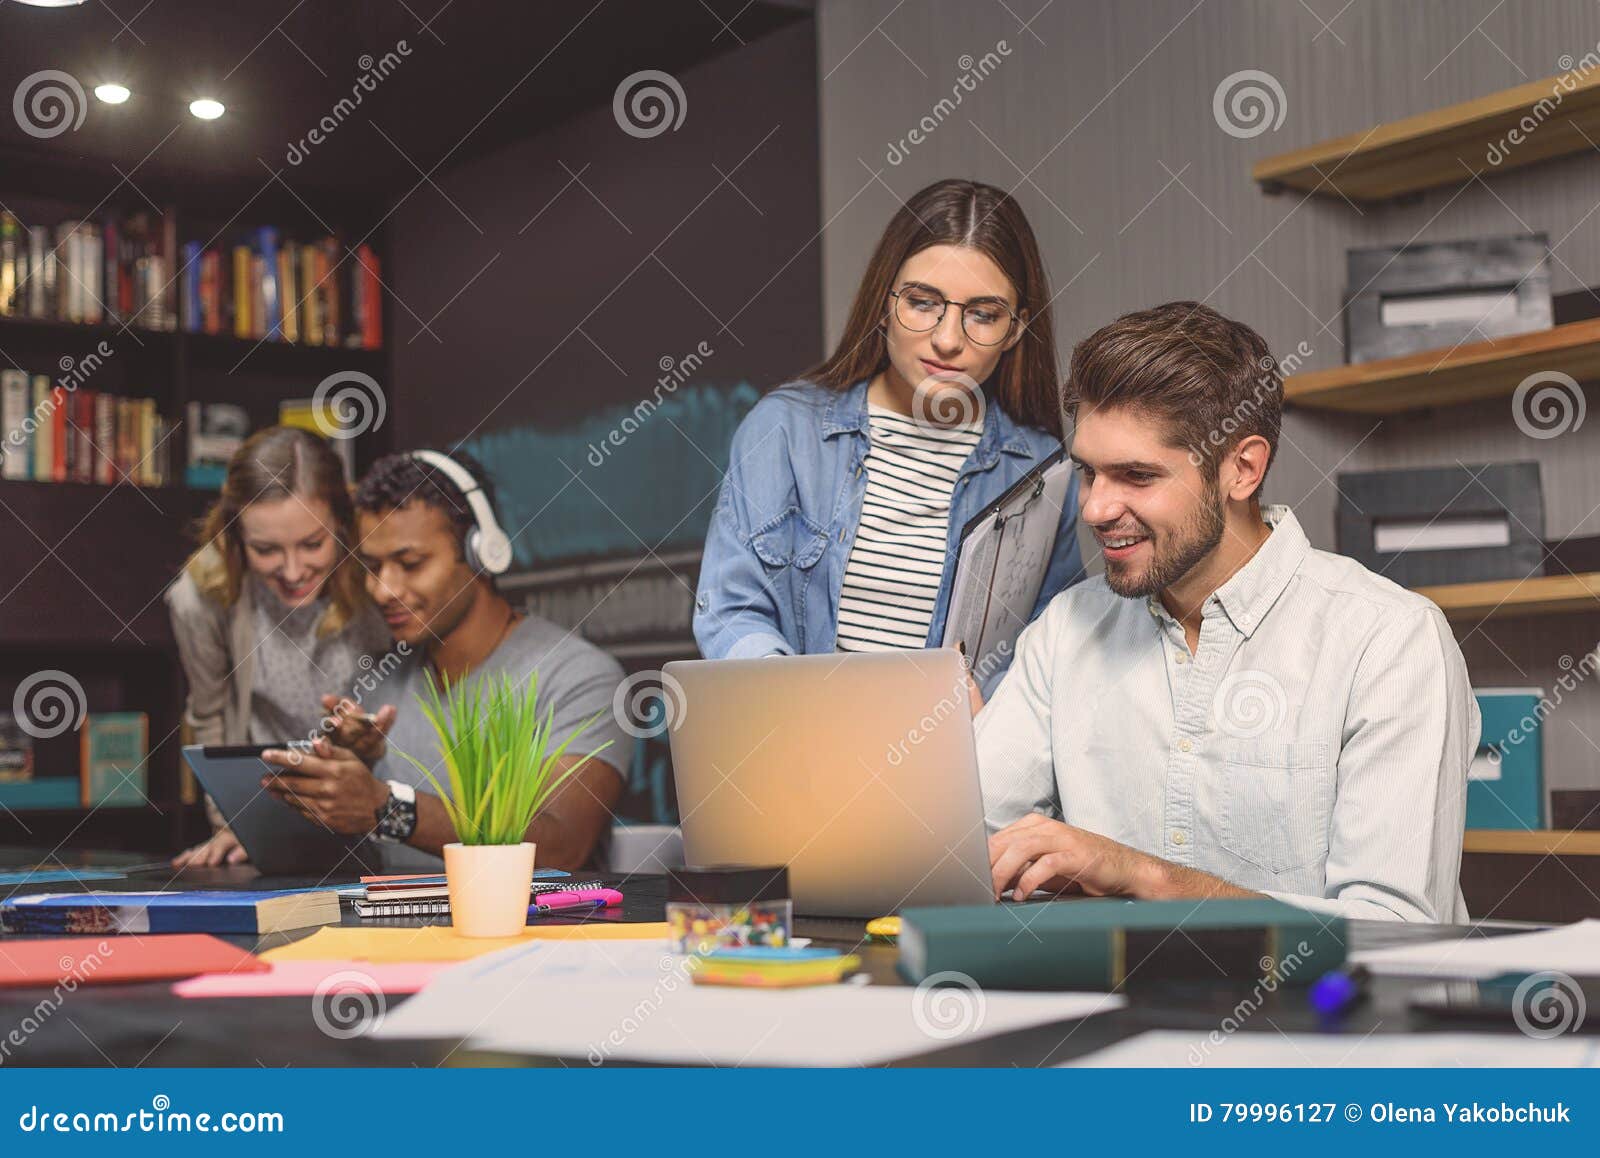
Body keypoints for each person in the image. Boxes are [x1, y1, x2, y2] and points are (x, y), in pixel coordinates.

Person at [977, 302, 1479, 922]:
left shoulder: (1391, 641)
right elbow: (962, 850)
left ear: (1242, 469)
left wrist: (1145, 877)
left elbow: (1396, 931)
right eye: (1088, 472)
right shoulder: (1064, 631)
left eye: (1136, 475)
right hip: (1104, 989)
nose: (1095, 509)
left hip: (1314, 994)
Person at [695, 178, 1084, 693]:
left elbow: (1050, 651)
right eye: (922, 302)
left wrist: (985, 712)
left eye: (983, 315)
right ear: (884, 303)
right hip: (799, 735)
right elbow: (731, 610)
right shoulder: (785, 431)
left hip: (960, 744)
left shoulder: (1040, 469)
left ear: (1015, 329)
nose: (947, 340)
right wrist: (796, 709)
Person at [255, 450, 630, 872]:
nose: (382, 590)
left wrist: (386, 806)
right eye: (372, 566)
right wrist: (345, 772)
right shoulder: (378, 683)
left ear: (481, 553)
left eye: (410, 564)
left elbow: (560, 848)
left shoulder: (579, 678)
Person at [167, 426, 392, 868]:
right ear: (236, 534)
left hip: (382, 802)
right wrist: (232, 823)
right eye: (266, 549)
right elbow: (210, 716)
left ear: (341, 523)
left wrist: (368, 741)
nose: (293, 571)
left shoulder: (381, 574)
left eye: (313, 544)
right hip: (274, 813)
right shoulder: (201, 597)